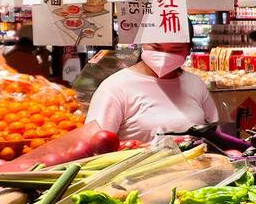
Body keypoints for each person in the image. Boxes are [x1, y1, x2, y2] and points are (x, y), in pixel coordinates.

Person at [86, 42, 218, 144]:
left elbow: (214, 132)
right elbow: (95, 145)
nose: (164, 57)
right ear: (142, 44)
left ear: (188, 49)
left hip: (194, 175)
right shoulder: (115, 87)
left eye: (176, 49)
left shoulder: (195, 83)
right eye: (156, 48)